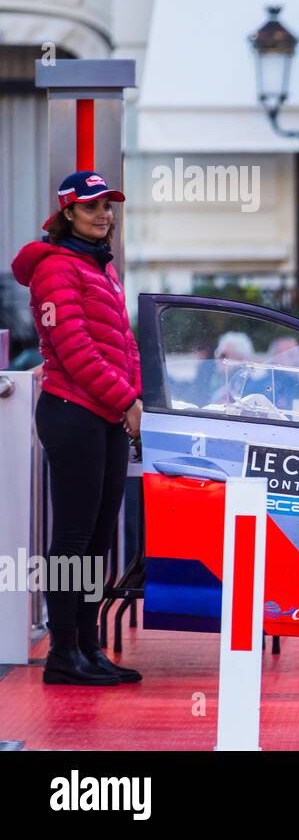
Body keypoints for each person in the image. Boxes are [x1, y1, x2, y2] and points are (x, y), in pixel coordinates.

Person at [10, 171, 144, 686]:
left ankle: (88, 645)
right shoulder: (54, 269)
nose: (103, 214)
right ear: (67, 212)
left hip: (106, 414)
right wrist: (126, 399)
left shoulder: (99, 265)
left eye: (108, 206)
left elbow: (123, 342)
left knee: (95, 540)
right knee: (71, 538)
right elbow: (75, 351)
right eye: (91, 208)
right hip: (73, 413)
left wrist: (131, 395)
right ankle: (63, 652)